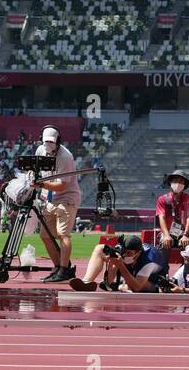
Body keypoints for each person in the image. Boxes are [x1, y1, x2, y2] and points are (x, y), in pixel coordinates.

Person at [32, 125, 96, 283]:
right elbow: (35, 169)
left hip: (67, 198)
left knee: (63, 234)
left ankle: (64, 269)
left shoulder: (65, 157)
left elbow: (62, 185)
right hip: (50, 199)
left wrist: (40, 185)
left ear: (58, 141)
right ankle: (58, 267)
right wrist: (33, 177)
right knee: (45, 235)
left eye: (52, 142)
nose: (48, 145)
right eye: (46, 142)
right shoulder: (40, 150)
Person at [68, 234, 167, 292]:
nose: (125, 255)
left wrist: (120, 265)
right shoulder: (125, 252)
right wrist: (112, 260)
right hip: (134, 270)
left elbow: (137, 287)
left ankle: (121, 285)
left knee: (136, 286)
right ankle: (86, 281)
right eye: (125, 251)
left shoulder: (149, 260)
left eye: (129, 253)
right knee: (100, 249)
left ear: (138, 253)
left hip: (154, 281)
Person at [155, 169, 189, 252]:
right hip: (167, 232)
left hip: (185, 233)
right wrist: (166, 235)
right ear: (170, 183)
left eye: (181, 181)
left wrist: (186, 235)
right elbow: (161, 217)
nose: (178, 184)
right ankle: (163, 265)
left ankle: (186, 265)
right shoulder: (162, 199)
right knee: (164, 243)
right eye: (175, 181)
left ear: (184, 185)